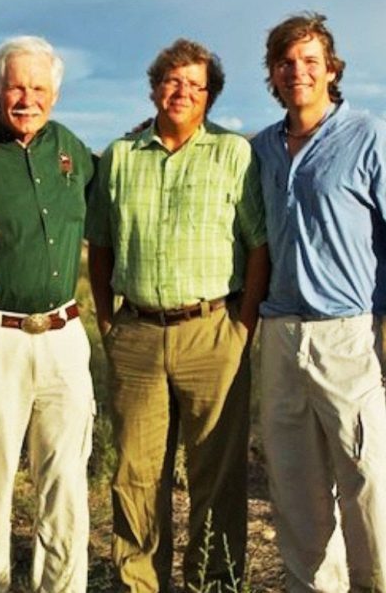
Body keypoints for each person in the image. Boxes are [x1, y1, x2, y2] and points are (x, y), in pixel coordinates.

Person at [87, 38, 268, 592]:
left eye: (196, 84)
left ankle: (214, 580)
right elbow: (100, 246)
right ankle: (139, 581)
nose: (182, 92)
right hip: (137, 333)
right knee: (136, 475)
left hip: (213, 333)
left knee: (216, 471)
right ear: (154, 87)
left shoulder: (234, 155)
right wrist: (109, 322)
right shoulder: (120, 157)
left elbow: (258, 246)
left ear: (210, 95)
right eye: (172, 80)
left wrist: (241, 328)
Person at [253, 12, 386, 592]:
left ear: (331, 70)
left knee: (368, 481)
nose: (297, 72)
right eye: (286, 62)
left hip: (348, 334)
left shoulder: (368, 136)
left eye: (310, 61)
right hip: (280, 335)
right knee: (295, 485)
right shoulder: (262, 148)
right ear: (273, 74)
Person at [0, 36, 95, 593]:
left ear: (55, 95)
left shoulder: (71, 149)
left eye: (38, 88)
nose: (26, 98)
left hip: (64, 336)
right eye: (16, 86)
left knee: (64, 483)